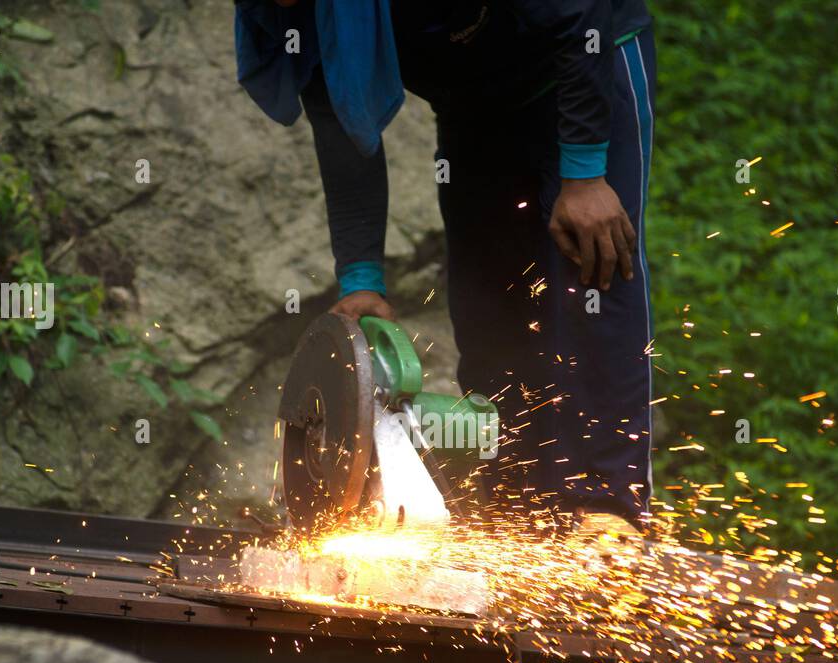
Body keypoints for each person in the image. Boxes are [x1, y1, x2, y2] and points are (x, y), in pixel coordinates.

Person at [237, 0, 656, 538]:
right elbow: (343, 125)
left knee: (589, 273)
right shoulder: (284, 13)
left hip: (585, 63)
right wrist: (362, 277)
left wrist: (584, 176)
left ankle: (608, 510)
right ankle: (522, 519)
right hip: (474, 107)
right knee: (487, 309)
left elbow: (581, 19)